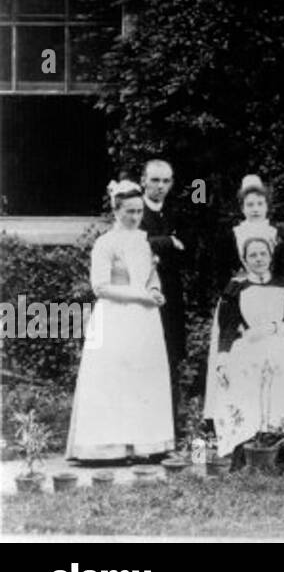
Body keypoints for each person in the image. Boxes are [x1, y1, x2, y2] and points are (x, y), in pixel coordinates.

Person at [66, 180, 174, 461]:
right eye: (129, 212)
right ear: (116, 211)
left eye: (139, 211)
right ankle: (109, 447)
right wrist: (140, 295)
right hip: (115, 316)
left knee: (142, 378)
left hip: (144, 320)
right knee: (115, 378)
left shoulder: (143, 240)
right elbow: (100, 286)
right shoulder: (105, 243)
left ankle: (143, 446)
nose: (135, 217)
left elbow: (150, 276)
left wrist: (154, 291)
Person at [209, 235, 284, 458]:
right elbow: (227, 329)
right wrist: (222, 361)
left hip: (282, 346)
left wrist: (273, 328)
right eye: (253, 255)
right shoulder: (235, 288)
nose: (259, 259)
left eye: (263, 254)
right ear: (245, 260)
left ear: (270, 256)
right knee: (240, 374)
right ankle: (247, 442)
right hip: (249, 346)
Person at [203, 174, 284, 421]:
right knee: (231, 347)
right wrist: (231, 291)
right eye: (250, 205)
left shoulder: (277, 233)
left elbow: (282, 270)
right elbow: (219, 270)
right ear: (242, 207)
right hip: (237, 295)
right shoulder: (232, 233)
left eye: (260, 204)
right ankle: (222, 413)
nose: (255, 209)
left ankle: (269, 415)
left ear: (267, 206)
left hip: (269, 296)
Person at [140, 158, 187, 389]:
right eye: (155, 180)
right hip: (144, 289)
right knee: (146, 351)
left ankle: (172, 420)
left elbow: (188, 245)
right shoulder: (135, 210)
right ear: (143, 181)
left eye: (166, 181)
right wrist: (168, 241)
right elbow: (136, 243)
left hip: (173, 290)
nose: (160, 186)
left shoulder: (176, 211)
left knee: (171, 354)